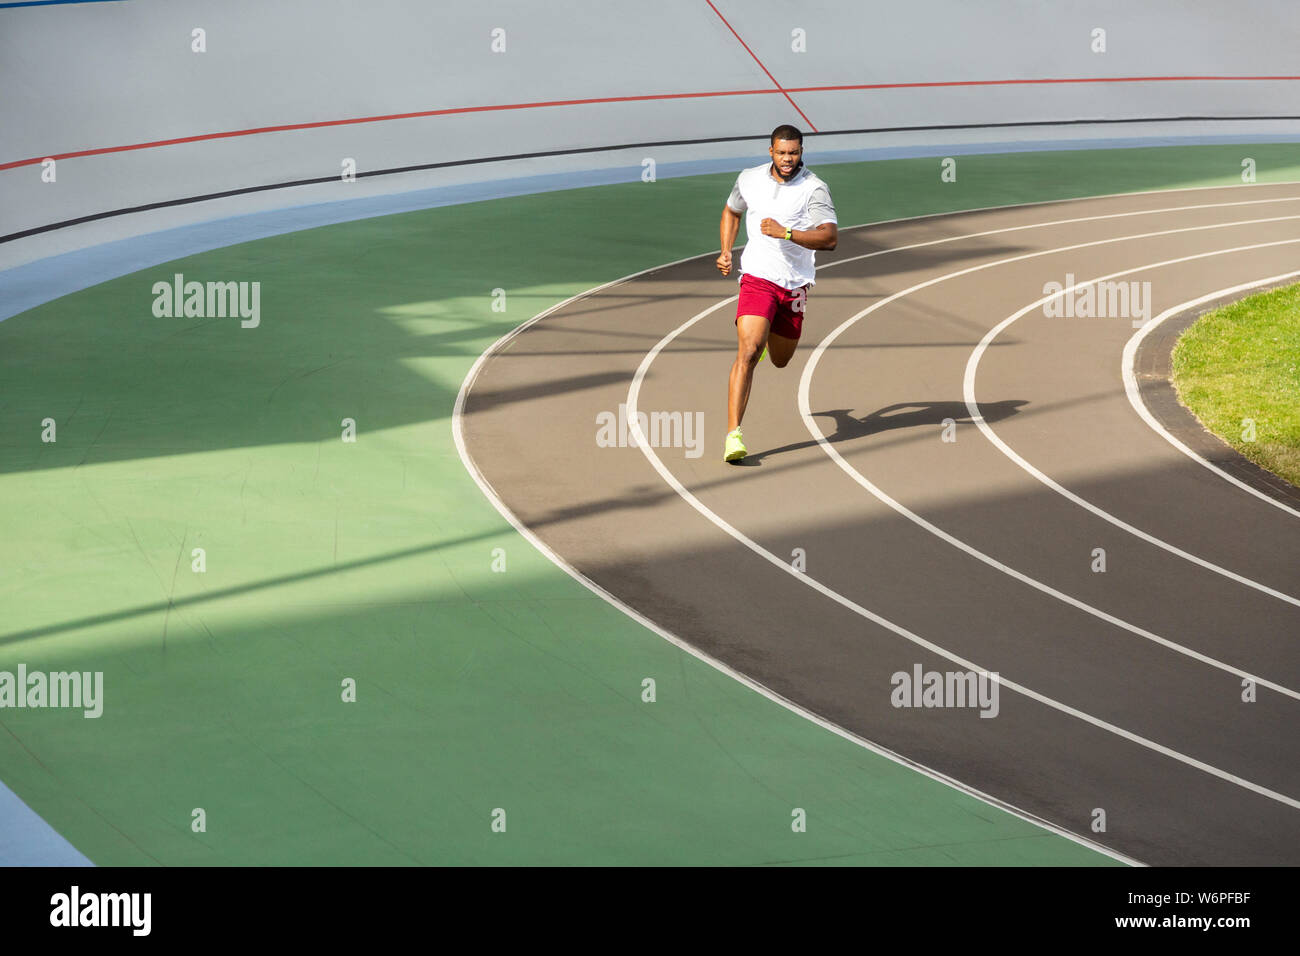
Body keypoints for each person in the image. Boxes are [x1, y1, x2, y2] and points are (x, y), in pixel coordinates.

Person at [716, 124, 838, 462]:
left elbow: (829, 238)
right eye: (782, 152)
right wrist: (726, 250)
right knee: (748, 351)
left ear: (801, 152)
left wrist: (786, 233)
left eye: (793, 153)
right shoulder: (749, 179)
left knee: (781, 359)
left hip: (794, 284)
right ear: (770, 151)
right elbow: (732, 211)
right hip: (757, 277)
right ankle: (733, 435)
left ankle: (765, 339)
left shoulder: (814, 189)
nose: (787, 159)